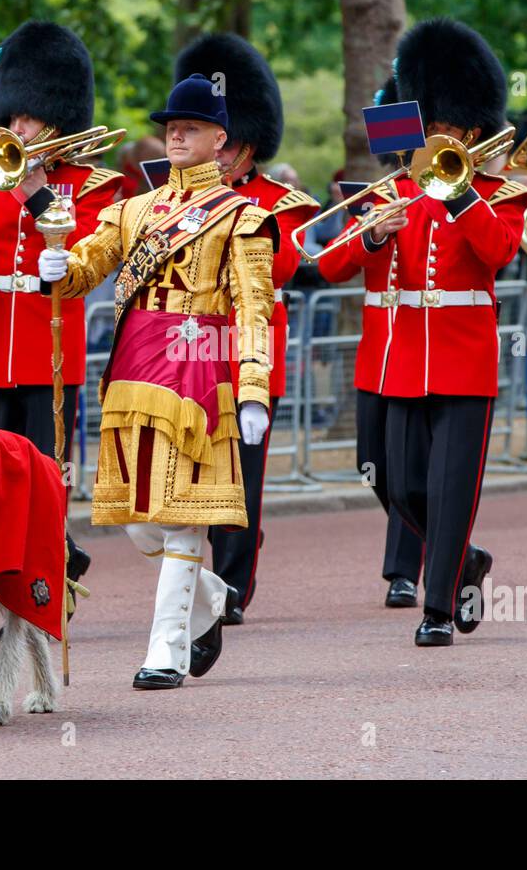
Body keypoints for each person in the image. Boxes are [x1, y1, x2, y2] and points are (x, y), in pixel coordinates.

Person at [37, 73, 277, 689]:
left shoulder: (242, 218)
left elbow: (255, 308)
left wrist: (253, 387)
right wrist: (56, 265)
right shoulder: (134, 209)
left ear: (219, 139)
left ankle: (165, 651)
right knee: (139, 519)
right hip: (134, 369)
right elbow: (83, 273)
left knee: (180, 519)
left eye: (190, 127)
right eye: (171, 126)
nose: (175, 134)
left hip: (199, 369)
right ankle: (213, 598)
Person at [356, 18, 527, 646]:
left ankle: (438, 608)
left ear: (472, 131)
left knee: (451, 490)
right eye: (430, 123)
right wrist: (376, 231)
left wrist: (459, 195)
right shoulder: (397, 189)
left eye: (447, 127)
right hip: (405, 355)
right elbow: (343, 263)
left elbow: (498, 252)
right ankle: (467, 559)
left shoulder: (496, 193)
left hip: (465, 356)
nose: (435, 135)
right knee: (398, 482)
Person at [0, 21, 122, 586]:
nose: (16, 126)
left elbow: (87, 251)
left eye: (28, 118)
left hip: (50, 346)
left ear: (56, 119)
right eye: (13, 116)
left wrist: (36, 189)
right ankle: (42, 562)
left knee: (45, 475)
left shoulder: (94, 184)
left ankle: (44, 578)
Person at [174, 32, 319, 624]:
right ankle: (192, 578)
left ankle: (233, 586)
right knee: (194, 470)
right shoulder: (180, 195)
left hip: (253, 352)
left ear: (245, 146)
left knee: (243, 481)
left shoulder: (281, 202)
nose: (214, 152)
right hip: (195, 350)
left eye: (224, 143)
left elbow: (284, 267)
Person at [318, 75, 425, 608]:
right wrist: (374, 232)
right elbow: (332, 264)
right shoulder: (378, 197)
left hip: (427, 352)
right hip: (378, 352)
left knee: (410, 469)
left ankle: (405, 568)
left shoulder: (455, 198)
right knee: (374, 466)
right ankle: (447, 544)